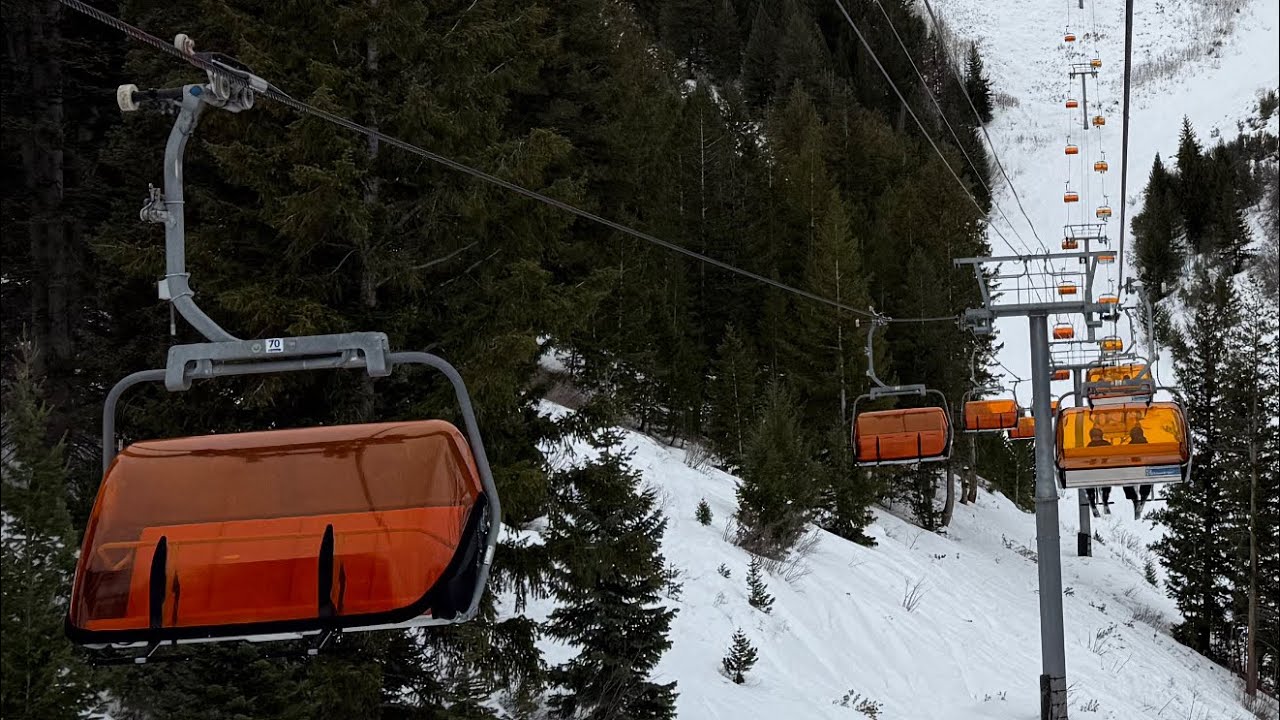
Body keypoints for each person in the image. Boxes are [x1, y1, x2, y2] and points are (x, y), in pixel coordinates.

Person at [1122, 424, 1154, 519]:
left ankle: (1134, 499)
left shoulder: (1129, 446)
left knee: (1125, 478)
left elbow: (1124, 458)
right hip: (1145, 469)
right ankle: (1143, 498)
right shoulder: (1148, 445)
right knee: (1147, 477)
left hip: (1132, 470)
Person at [1084, 427, 1112, 517]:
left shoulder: (1090, 446)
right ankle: (1105, 500)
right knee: (1106, 483)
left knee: (1089, 483)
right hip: (1105, 471)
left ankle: (1092, 502)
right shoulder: (1107, 444)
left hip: (1093, 472)